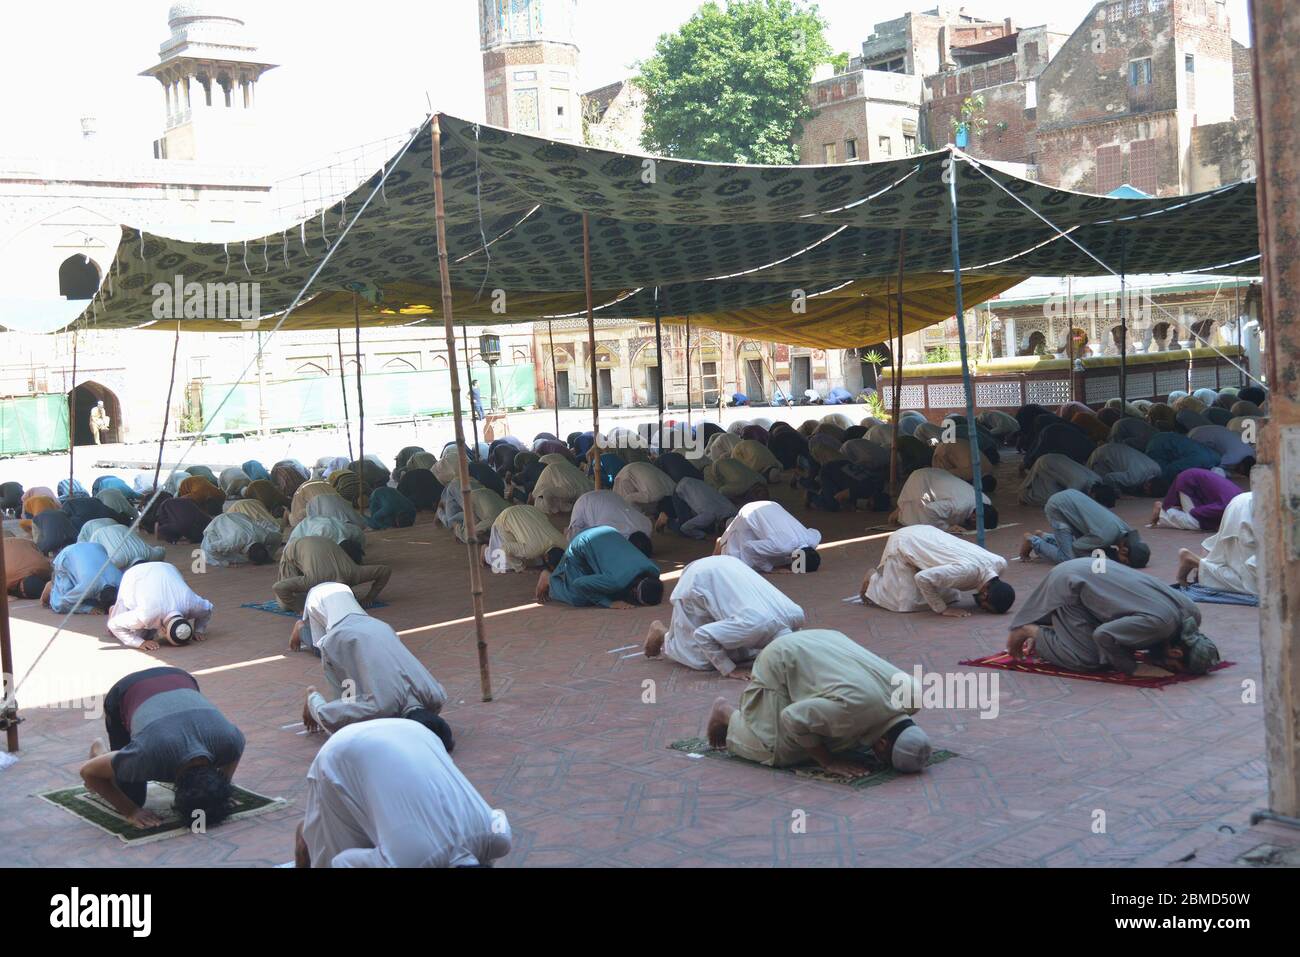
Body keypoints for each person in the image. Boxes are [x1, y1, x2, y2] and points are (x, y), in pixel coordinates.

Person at [705, 630, 932, 777]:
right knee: (783, 752)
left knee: (841, 736)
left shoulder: (913, 695)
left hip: (826, 639)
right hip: (781, 657)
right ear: (882, 744)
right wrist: (828, 761)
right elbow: (791, 718)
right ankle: (725, 713)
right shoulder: (852, 713)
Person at [295, 718, 510, 868]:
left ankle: (313, 828)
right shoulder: (410, 861)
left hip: (416, 733)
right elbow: (340, 862)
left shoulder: (499, 838)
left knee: (386, 847)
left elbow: (496, 815)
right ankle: (309, 834)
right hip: (341, 754)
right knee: (329, 859)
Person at [78, 667, 243, 831]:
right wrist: (131, 811)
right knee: (131, 797)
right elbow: (88, 772)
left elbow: (236, 752)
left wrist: (223, 791)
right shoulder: (148, 757)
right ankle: (100, 752)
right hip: (126, 691)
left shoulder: (230, 743)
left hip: (179, 677)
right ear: (174, 784)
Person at [1007, 559, 1222, 678]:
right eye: (1173, 667)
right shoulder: (1160, 626)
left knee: (1112, 646)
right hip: (1069, 585)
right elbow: (1104, 635)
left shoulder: (1192, 613)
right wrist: (1134, 668)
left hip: (1085, 569)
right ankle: (1029, 631)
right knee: (1089, 659)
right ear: (1176, 651)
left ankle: (1065, 631)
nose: (1168, 668)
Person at [296, 584, 451, 744]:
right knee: (346, 721)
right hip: (342, 636)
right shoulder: (382, 708)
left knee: (353, 696)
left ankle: (346, 699)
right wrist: (313, 700)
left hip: (375, 626)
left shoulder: (436, 699)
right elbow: (327, 715)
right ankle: (314, 693)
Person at [643, 555, 805, 678]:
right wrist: (730, 670)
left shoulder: (796, 615)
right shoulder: (755, 626)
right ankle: (663, 635)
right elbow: (702, 635)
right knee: (702, 660)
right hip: (699, 578)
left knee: (744, 650)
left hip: (728, 565)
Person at [861, 524, 1015, 618]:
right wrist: (943, 610)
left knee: (951, 596)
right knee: (906, 605)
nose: (981, 607)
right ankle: (873, 580)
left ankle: (921, 564)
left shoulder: (1000, 563)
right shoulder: (966, 573)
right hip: (905, 542)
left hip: (926, 533)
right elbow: (922, 578)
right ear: (986, 593)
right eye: (985, 606)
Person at [535, 525, 663, 608]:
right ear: (634, 591)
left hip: (607, 531)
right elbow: (579, 583)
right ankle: (549, 580)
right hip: (581, 546)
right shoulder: (616, 581)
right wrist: (610, 603)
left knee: (610, 590)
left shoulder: (654, 569)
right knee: (579, 598)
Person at [1020, 489, 1150, 567]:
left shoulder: (1125, 530)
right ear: (1124, 551)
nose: (1123, 563)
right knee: (1068, 558)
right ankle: (1032, 540)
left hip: (1071, 502)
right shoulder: (1105, 536)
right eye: (1126, 562)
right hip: (1058, 508)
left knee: (1085, 547)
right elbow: (1077, 547)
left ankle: (1044, 536)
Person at [107, 561, 214, 650]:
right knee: (138, 635)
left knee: (146, 633)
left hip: (167, 568)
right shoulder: (146, 615)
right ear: (163, 630)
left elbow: (208, 609)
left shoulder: (193, 605)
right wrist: (139, 643)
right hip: (135, 575)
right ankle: (116, 611)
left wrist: (199, 630)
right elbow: (114, 624)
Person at [274, 536, 391, 613]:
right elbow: (278, 587)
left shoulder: (354, 574)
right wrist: (299, 610)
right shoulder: (315, 579)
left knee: (300, 594)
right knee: (285, 606)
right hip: (294, 548)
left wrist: (370, 597)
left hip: (322, 542)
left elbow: (385, 571)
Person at [1176, 491, 1256, 595]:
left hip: (1242, 500)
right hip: (1249, 507)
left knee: (1244, 566)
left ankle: (1201, 564)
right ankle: (1198, 563)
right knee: (1256, 586)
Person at [716, 500, 821, 574]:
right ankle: (721, 542)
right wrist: (771, 569)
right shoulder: (782, 546)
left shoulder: (813, 539)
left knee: (771, 552)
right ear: (798, 557)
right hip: (751, 513)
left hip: (772, 506)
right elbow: (749, 547)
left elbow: (816, 532)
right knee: (741, 563)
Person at [892, 467, 996, 532]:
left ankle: (902, 509)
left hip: (939, 475)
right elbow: (930, 509)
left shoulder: (986, 501)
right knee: (913, 520)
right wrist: (945, 528)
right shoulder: (957, 506)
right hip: (922, 480)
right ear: (974, 517)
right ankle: (900, 512)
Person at [1150, 467, 1244, 531]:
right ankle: (1162, 514)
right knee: (1196, 521)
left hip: (1193, 480)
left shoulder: (1241, 500)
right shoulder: (1229, 506)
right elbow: (1198, 513)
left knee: (1205, 520)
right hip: (1189, 482)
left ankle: (1169, 512)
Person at [484, 504, 568, 573]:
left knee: (536, 560)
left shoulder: (565, 544)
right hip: (505, 518)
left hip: (529, 509)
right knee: (504, 564)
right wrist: (522, 568)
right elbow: (505, 548)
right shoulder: (532, 550)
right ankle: (485, 553)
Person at [41, 541, 121, 614]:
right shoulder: (88, 587)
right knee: (58, 600)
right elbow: (62, 604)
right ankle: (52, 586)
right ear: (99, 598)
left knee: (80, 595)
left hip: (95, 546)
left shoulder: (120, 580)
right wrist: (88, 609)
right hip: (66, 555)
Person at [1018, 453, 1116, 508]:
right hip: (1047, 464)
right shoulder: (1078, 483)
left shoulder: (1097, 479)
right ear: (1094, 495)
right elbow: (1066, 500)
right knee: (1048, 499)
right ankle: (1024, 496)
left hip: (1058, 458)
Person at [655, 476, 738, 540]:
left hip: (693, 483)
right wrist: (703, 536)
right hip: (680, 490)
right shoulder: (709, 515)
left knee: (707, 527)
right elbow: (685, 528)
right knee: (683, 529)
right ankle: (666, 520)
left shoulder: (734, 510)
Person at [566, 489, 653, 543]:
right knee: (573, 538)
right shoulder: (609, 532)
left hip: (611, 495)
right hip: (585, 502)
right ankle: (569, 531)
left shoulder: (646, 526)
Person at [201, 512, 280, 567]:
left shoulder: (264, 536)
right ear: (247, 554)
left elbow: (279, 537)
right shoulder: (232, 543)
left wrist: (270, 553)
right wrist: (224, 562)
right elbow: (210, 548)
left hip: (238, 516)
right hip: (217, 523)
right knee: (209, 556)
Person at [1086, 441, 1162, 495]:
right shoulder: (1134, 479)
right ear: (1147, 486)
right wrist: (1118, 493)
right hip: (1102, 457)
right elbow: (1109, 478)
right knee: (1094, 484)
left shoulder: (1157, 468)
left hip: (1114, 448)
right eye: (1146, 492)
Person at [1145, 431, 1221, 484]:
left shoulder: (1216, 458)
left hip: (1163, 439)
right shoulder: (1201, 461)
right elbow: (1171, 470)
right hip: (1159, 445)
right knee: (1161, 473)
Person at [89, 523, 166, 570]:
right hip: (99, 532)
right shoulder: (117, 561)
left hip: (121, 527)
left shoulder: (150, 554)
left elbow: (162, 550)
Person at [1187, 424, 1256, 475]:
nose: (1241, 474)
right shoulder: (1234, 458)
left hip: (1205, 429)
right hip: (1197, 436)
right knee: (1207, 462)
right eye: (1242, 473)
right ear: (1243, 467)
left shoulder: (1250, 451)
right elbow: (1216, 468)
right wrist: (1228, 473)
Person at [612, 461, 677, 515]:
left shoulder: (621, 480)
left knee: (630, 500)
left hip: (656, 492)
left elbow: (630, 502)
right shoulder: (624, 474)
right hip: (671, 488)